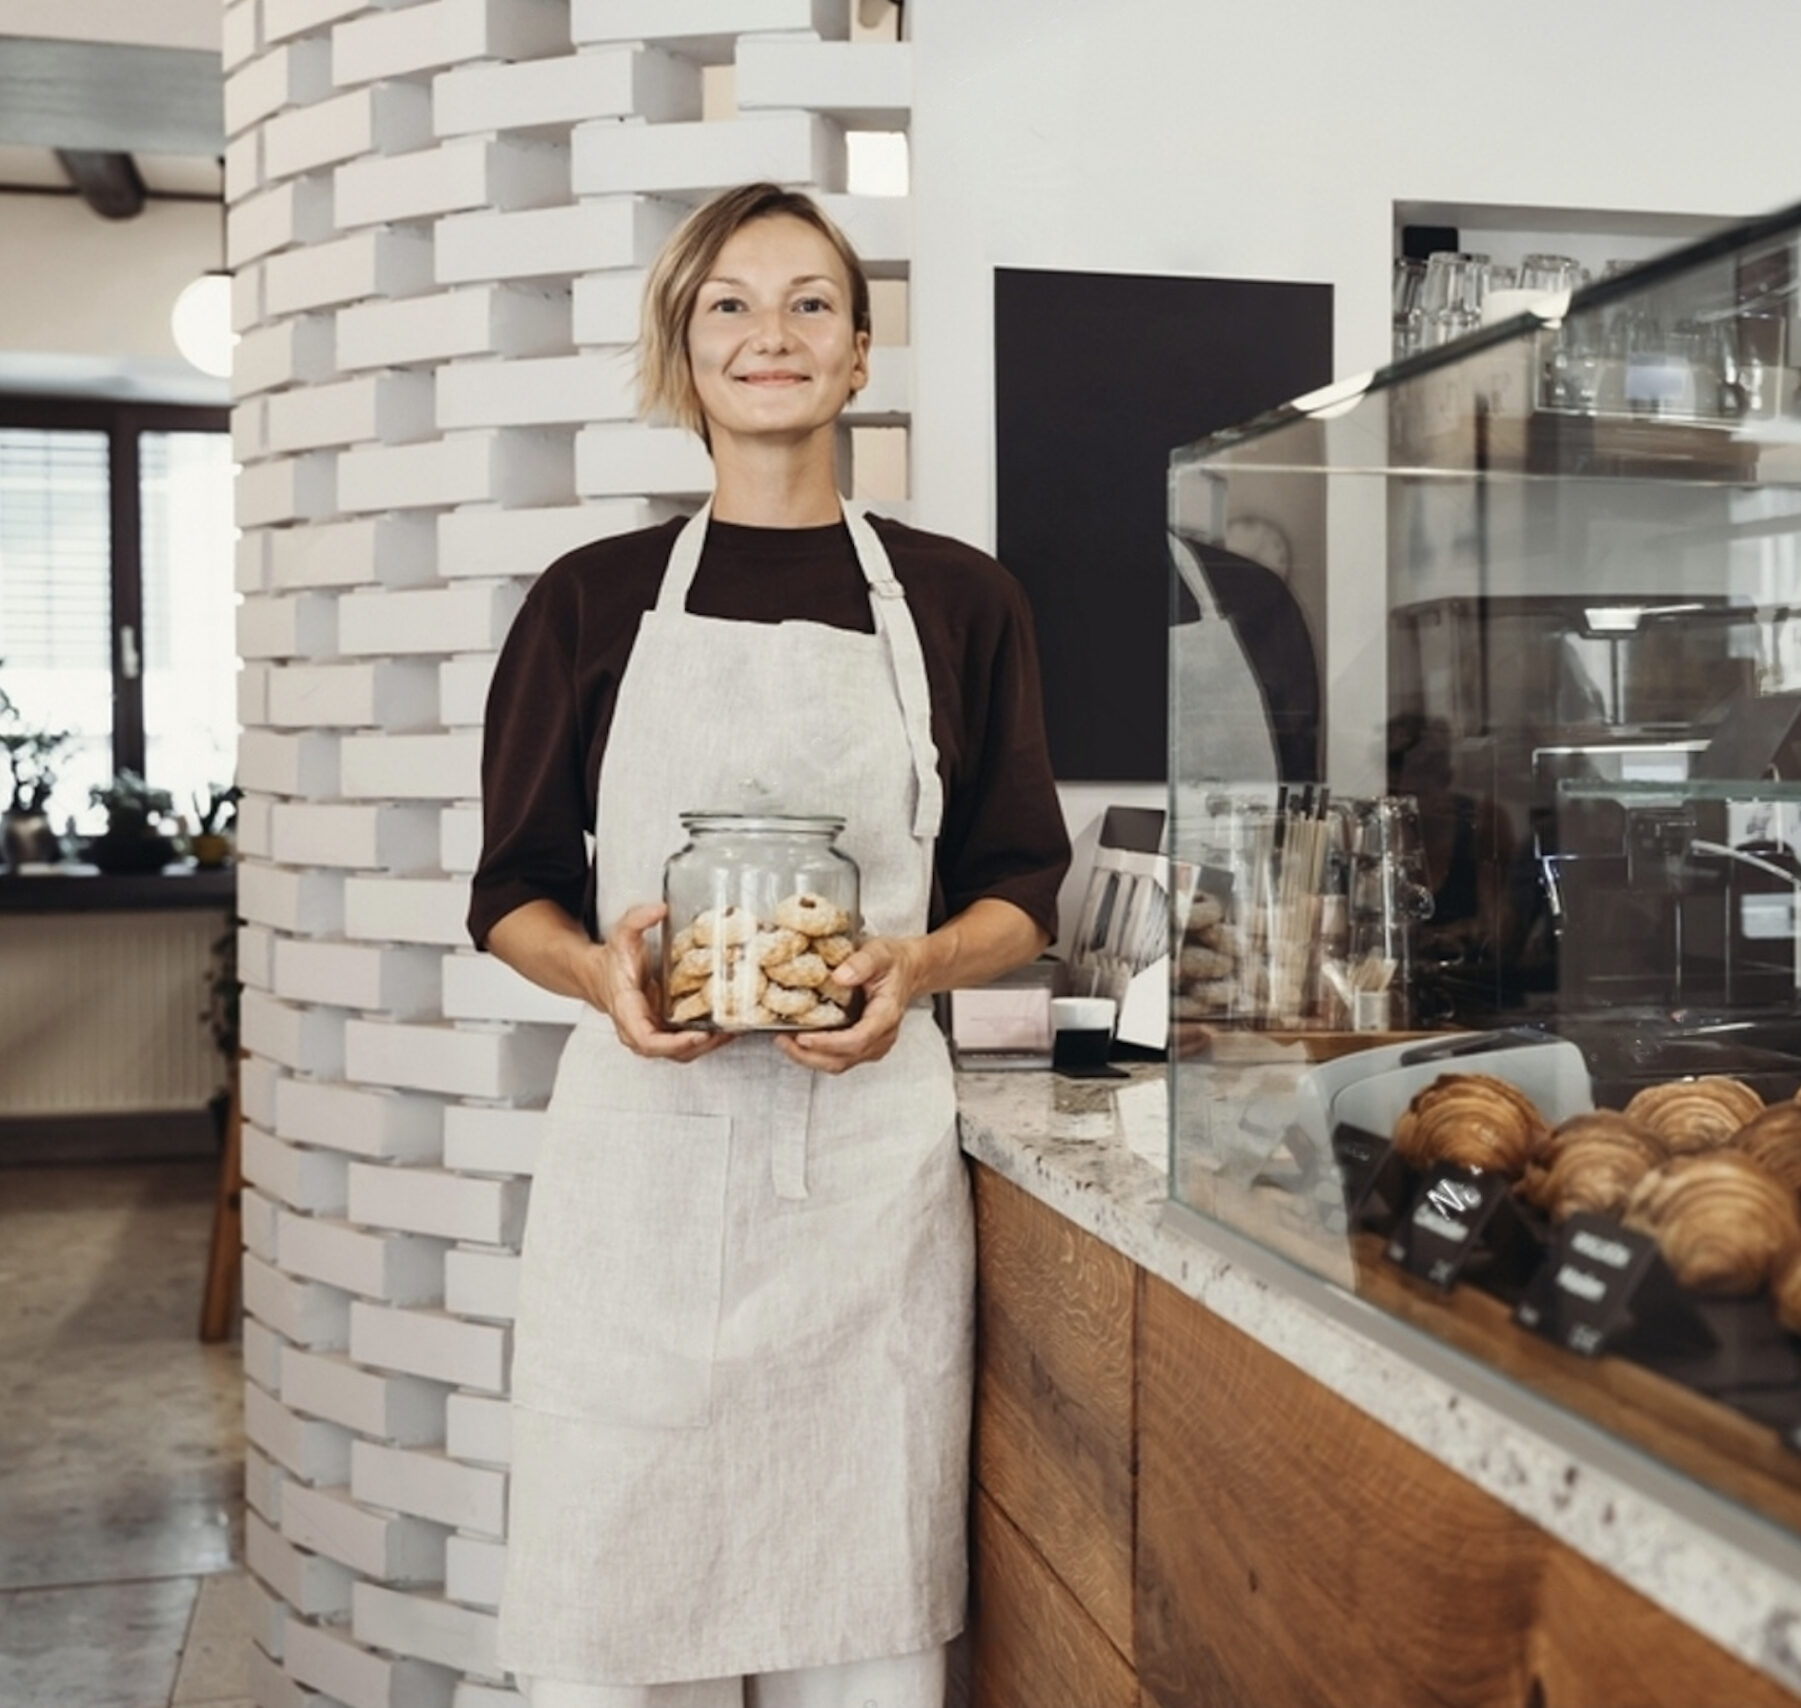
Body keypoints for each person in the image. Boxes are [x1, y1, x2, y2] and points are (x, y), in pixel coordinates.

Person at [469, 183, 1070, 1707]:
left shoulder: (960, 600)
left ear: (862, 354)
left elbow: (1018, 884)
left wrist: (913, 970)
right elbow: (512, 890)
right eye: (729, 302)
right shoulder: (591, 602)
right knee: (613, 1631)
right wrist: (605, 973)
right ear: (686, 350)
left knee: (858, 1631)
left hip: (862, 1188)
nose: (772, 334)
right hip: (641, 1196)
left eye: (811, 302)